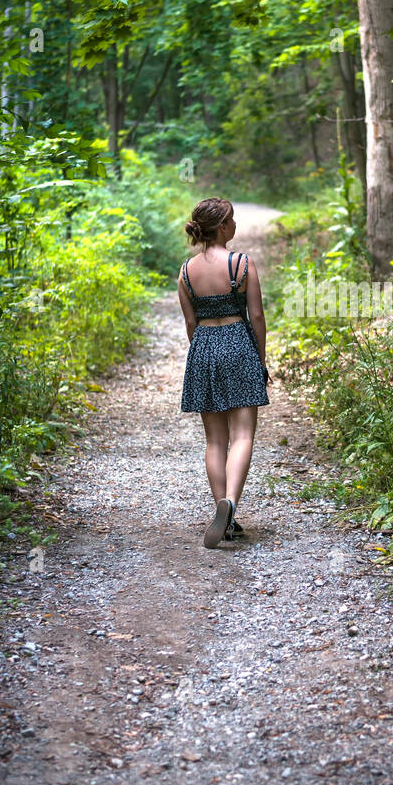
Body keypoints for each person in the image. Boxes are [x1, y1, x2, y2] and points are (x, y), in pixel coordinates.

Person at [178, 198, 270, 548]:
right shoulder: (242, 264)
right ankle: (230, 504)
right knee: (243, 434)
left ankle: (224, 514)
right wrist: (259, 361)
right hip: (239, 345)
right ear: (220, 228)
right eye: (231, 220)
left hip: (203, 348)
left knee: (215, 440)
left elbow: (190, 323)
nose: (235, 224)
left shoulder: (186, 271)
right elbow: (257, 317)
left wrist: (203, 353)